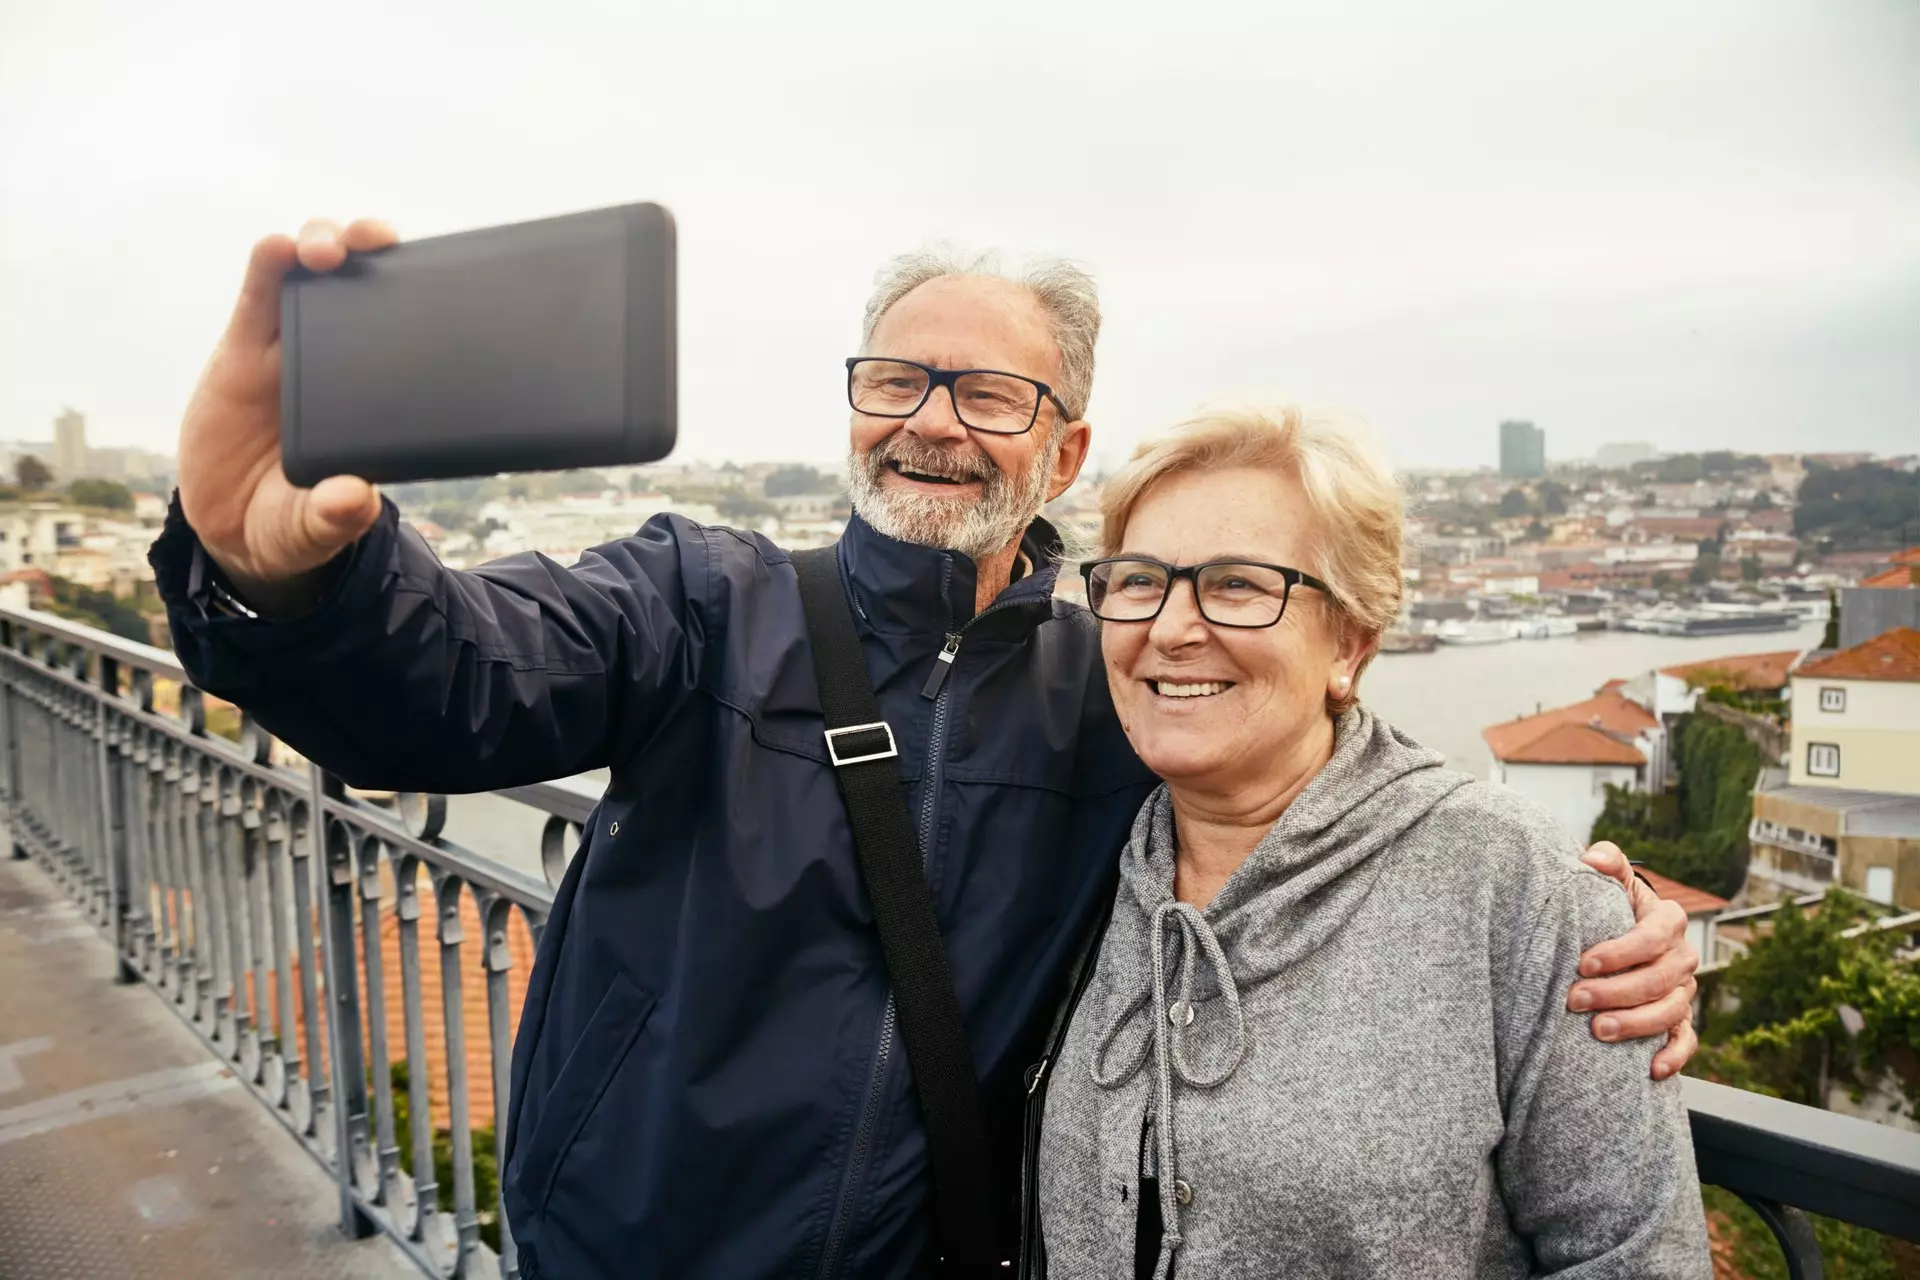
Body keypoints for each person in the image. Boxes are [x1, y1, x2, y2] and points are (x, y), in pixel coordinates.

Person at [150, 218, 1702, 1278]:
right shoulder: (704, 603)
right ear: (854, 405)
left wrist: (1592, 918)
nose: (931, 420)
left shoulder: (1117, 687)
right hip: (633, 1247)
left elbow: (1303, 757)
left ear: (1065, 445)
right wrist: (283, 575)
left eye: (988, 389)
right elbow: (457, 683)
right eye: (896, 379)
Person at [1030, 403, 1712, 1279]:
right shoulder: (1091, 851)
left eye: (1237, 583)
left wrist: (1602, 914)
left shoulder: (1509, 887)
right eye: (1136, 580)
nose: (1170, 627)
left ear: (1350, 643)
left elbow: (1634, 1257)